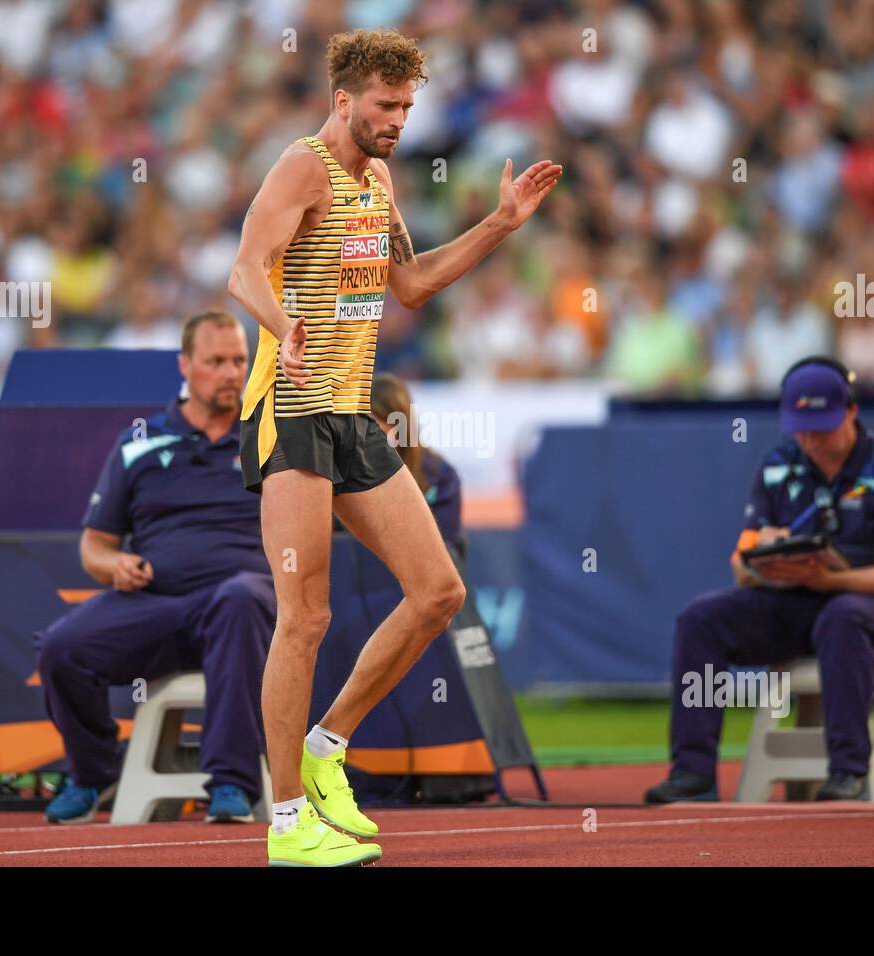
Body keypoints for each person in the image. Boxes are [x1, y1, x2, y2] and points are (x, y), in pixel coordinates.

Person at [227, 27, 561, 866]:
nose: (400, 120)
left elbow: (408, 285)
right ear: (343, 99)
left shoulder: (377, 179)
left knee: (439, 590)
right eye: (386, 105)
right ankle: (287, 822)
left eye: (408, 106)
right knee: (304, 616)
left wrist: (500, 223)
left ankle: (327, 747)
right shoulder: (303, 167)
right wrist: (282, 325)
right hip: (292, 408)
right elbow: (245, 271)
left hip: (349, 414)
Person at [645, 357, 874, 803]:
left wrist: (826, 579)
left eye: (823, 428)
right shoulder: (777, 465)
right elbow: (741, 567)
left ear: (851, 412)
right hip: (790, 601)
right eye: (802, 429)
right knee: (699, 620)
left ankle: (849, 770)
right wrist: (765, 555)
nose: (811, 440)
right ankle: (692, 772)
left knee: (844, 618)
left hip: (865, 606)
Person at [35, 312, 277, 825]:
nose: (232, 372)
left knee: (238, 598)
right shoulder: (140, 440)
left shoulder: (270, 433)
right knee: (61, 647)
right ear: (185, 366)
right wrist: (114, 565)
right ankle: (93, 773)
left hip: (243, 606)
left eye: (239, 360)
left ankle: (232, 783)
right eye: (216, 362)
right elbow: (94, 547)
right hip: (155, 604)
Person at [370, 373, 463, 555]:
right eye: (365, 422)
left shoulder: (441, 476)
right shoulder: (342, 471)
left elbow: (445, 548)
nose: (373, 432)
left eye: (381, 421)